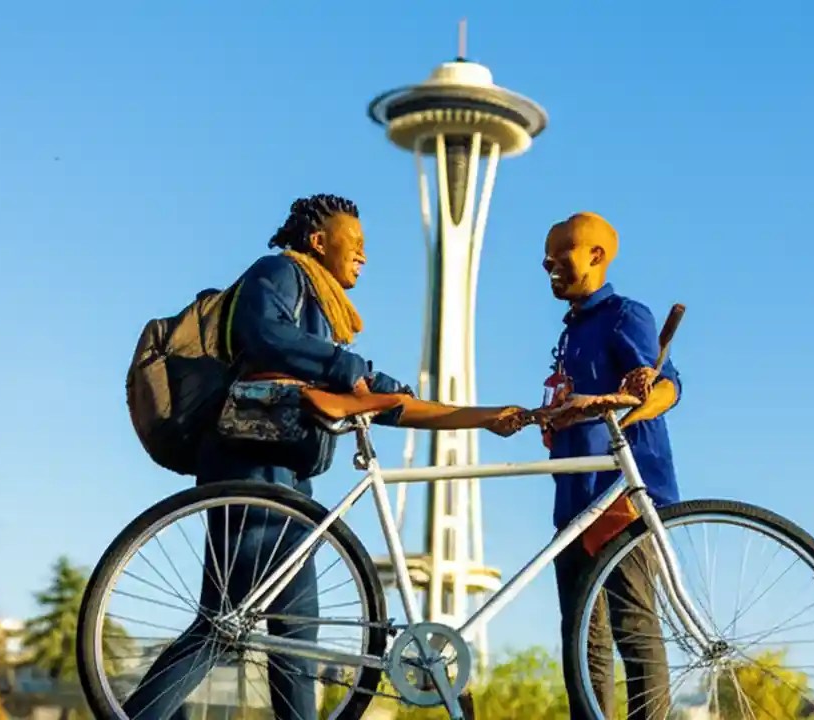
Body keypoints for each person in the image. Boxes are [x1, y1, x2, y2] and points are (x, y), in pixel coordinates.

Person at [121, 194, 527, 720]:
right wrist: (344, 366)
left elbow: (387, 398)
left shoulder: (324, 315)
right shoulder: (281, 272)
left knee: (296, 639)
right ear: (318, 241)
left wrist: (488, 417)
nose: (363, 256)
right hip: (250, 468)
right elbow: (264, 333)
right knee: (224, 623)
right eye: (354, 243)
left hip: (290, 487)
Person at [541, 212, 683, 720]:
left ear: (597, 256)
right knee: (583, 643)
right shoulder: (569, 333)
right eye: (546, 260)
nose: (550, 267)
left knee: (634, 630)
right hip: (573, 500)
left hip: (618, 495)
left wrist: (626, 403)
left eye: (562, 257)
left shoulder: (625, 315)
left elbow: (667, 387)